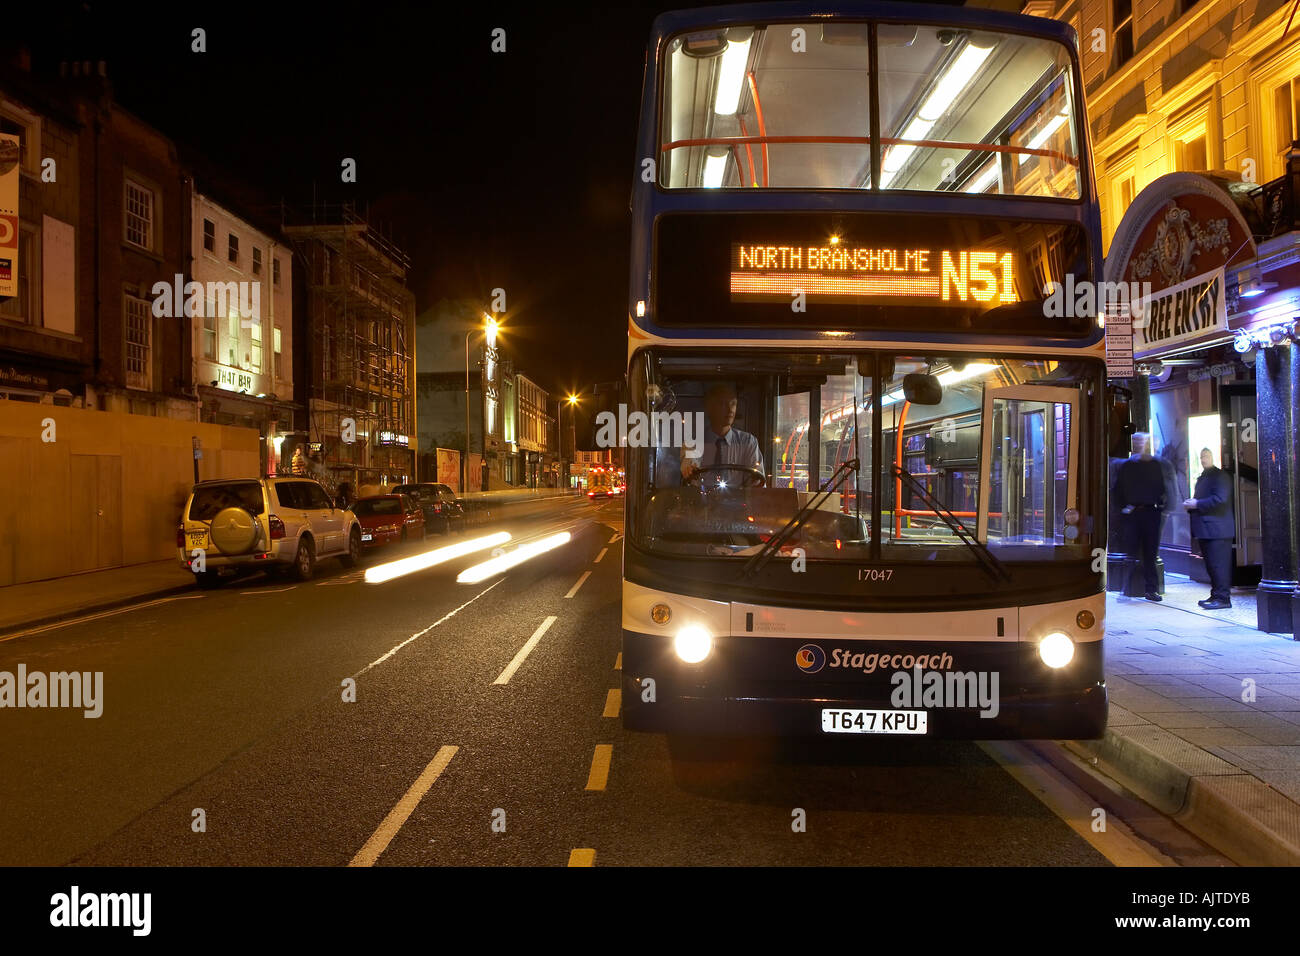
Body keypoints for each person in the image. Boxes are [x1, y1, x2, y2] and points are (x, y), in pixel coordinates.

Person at [1113, 432, 1168, 602]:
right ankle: (1127, 588)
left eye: (1141, 441)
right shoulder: (1127, 466)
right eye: (1136, 441)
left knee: (1150, 553)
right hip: (1134, 513)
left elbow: (1162, 488)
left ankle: (1150, 589)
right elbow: (1118, 490)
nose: (1138, 444)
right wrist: (1124, 509)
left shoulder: (1154, 465)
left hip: (1150, 512)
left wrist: (1160, 506)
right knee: (1131, 551)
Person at [681, 381, 764, 486]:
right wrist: (690, 469)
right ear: (709, 408)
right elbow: (689, 462)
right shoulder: (693, 442)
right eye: (722, 404)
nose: (730, 410)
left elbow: (757, 480)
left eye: (733, 403)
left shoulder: (748, 442)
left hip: (739, 501)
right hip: (702, 501)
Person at [1184, 448, 1235, 609]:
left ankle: (1223, 598)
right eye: (1201, 456)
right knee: (1212, 565)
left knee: (1219, 565)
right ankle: (1216, 594)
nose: (1203, 459)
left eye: (1206, 456)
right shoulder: (1203, 477)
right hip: (1207, 530)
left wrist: (1196, 504)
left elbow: (1220, 499)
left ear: (1213, 457)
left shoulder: (1220, 476)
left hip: (1218, 530)